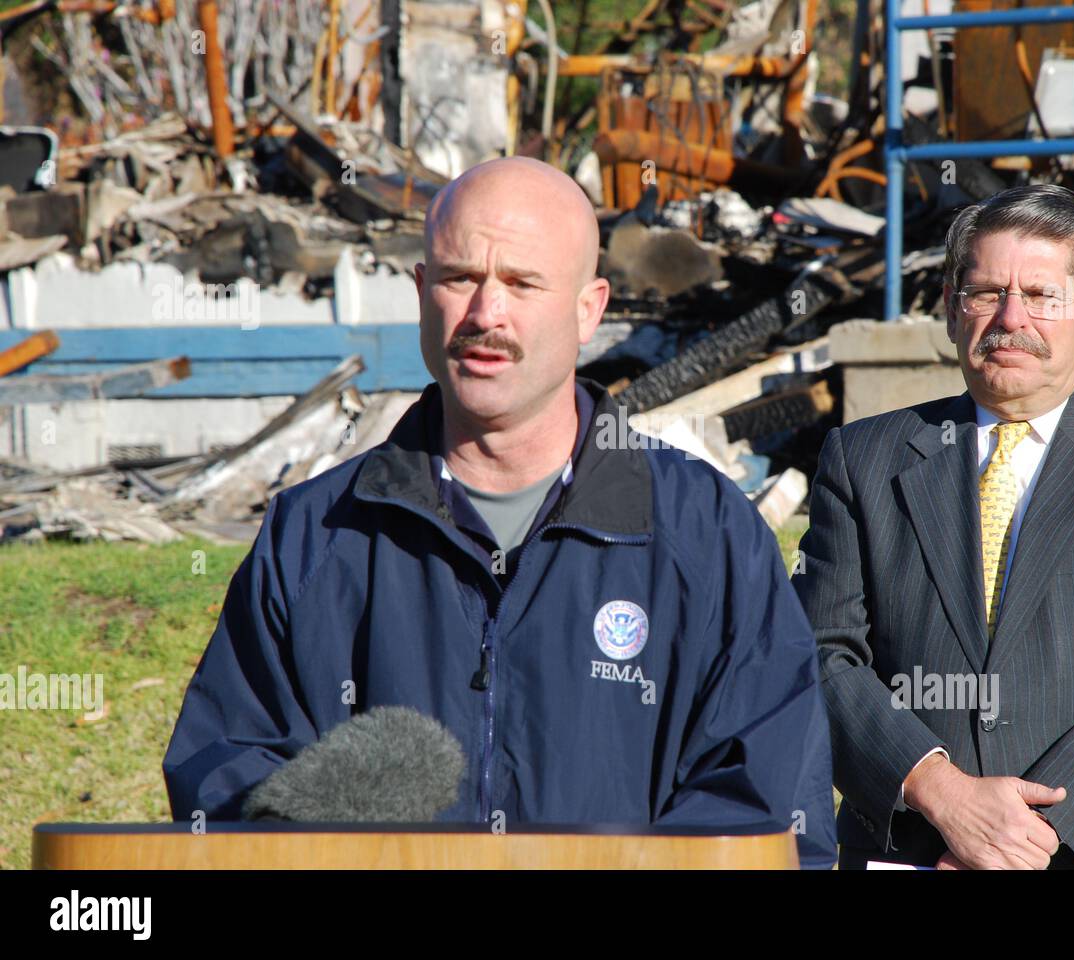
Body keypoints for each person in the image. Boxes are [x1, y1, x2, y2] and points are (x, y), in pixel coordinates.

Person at [163, 156, 836, 868]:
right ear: (423, 292)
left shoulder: (709, 537)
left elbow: (769, 815)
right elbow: (225, 774)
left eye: (521, 283)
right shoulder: (314, 537)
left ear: (590, 308)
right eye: (460, 279)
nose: (486, 314)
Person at [794, 183, 1074, 869]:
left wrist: (1025, 842)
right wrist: (939, 792)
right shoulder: (863, 459)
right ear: (953, 312)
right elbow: (816, 656)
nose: (1012, 318)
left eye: (1041, 296)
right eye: (985, 293)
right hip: (912, 850)